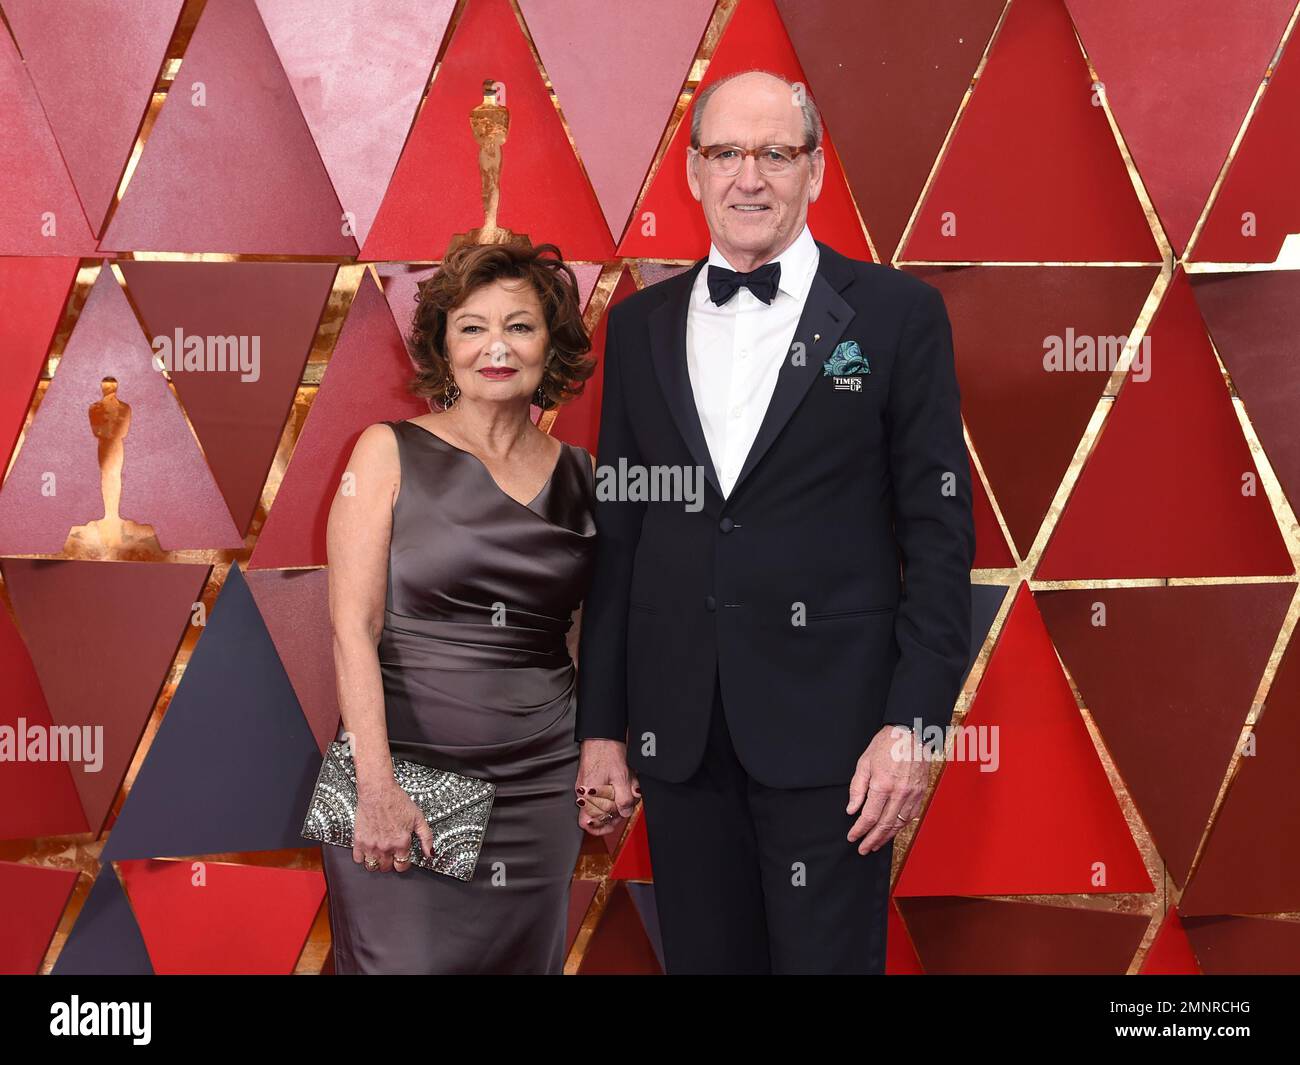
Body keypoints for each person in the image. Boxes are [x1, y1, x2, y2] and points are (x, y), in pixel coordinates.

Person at [574, 70, 975, 974]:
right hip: (678, 739)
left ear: (816, 170)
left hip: (836, 742)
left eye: (774, 153)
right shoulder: (638, 327)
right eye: (725, 153)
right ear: (692, 170)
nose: (748, 177)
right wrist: (602, 724)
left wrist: (914, 726)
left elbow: (942, 538)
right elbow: (624, 538)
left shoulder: (897, 314)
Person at [320, 241, 600, 973]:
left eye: (520, 325)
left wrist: (608, 749)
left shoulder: (584, 475)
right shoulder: (385, 450)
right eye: (472, 327)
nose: (495, 347)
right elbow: (354, 628)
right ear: (444, 345)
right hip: (403, 774)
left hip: (539, 782)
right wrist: (376, 788)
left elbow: (606, 632)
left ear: (552, 344)